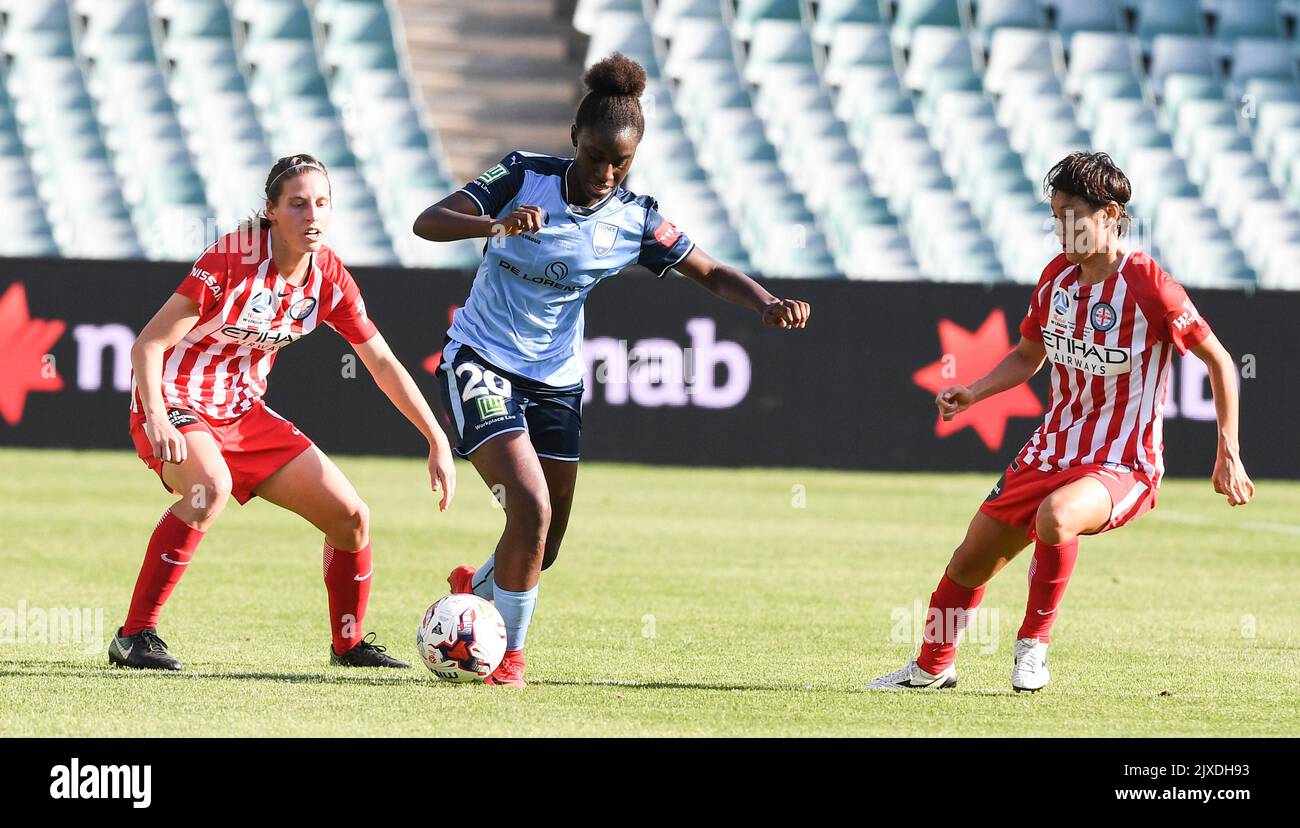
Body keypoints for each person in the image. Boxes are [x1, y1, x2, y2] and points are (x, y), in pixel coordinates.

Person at [412, 53, 811, 686]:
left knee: (548, 539)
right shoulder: (522, 175)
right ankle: (509, 658)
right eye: (596, 155)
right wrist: (496, 223)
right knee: (531, 510)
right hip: (481, 360)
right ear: (575, 139)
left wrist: (766, 302)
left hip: (557, 380)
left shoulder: (635, 219)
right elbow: (427, 221)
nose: (605, 172)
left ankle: (476, 587)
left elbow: (710, 271)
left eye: (619, 162)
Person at [868, 151, 1254, 692]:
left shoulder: (1150, 285)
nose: (1062, 228)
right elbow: (1029, 356)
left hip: (1123, 462)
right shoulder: (1056, 278)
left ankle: (1032, 649)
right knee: (968, 562)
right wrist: (974, 392)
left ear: (1111, 213)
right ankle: (931, 668)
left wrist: (1228, 451)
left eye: (1073, 214)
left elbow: (1218, 360)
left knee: (1056, 517)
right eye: (1055, 216)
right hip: (1049, 451)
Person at [113, 153, 456, 671]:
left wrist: (436, 438)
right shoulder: (231, 259)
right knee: (209, 488)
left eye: (321, 203)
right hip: (175, 398)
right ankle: (134, 635)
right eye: (297, 204)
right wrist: (158, 416)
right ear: (271, 211)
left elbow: (381, 362)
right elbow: (147, 346)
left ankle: (349, 644)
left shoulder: (329, 280)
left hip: (243, 412)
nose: (311, 215)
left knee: (352, 518)